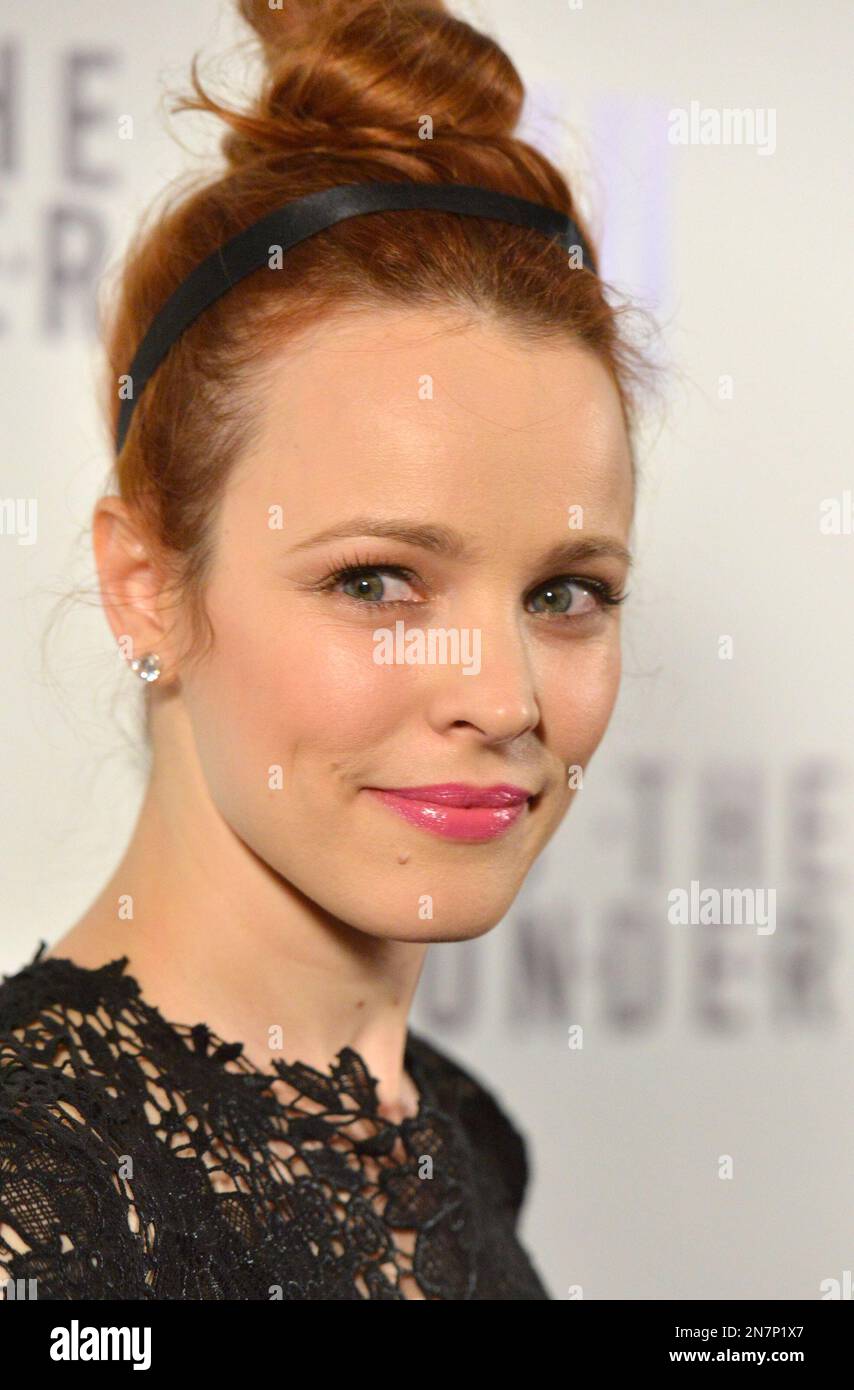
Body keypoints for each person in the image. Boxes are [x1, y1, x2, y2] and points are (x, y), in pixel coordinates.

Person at [0, 0, 654, 1300]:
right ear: (146, 583)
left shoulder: (450, 1135)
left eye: (565, 592)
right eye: (377, 580)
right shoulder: (35, 1211)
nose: (503, 693)